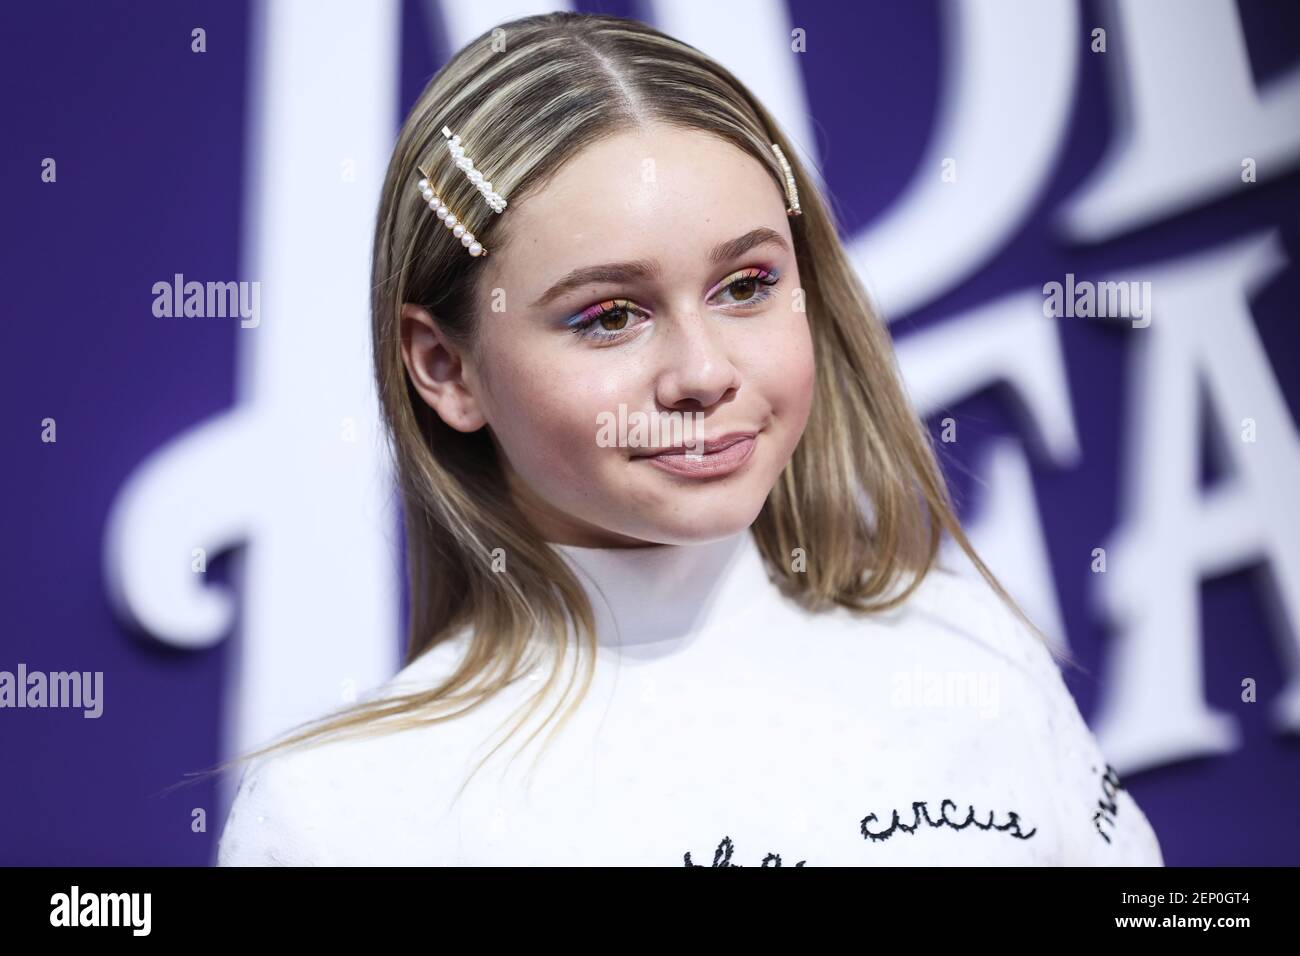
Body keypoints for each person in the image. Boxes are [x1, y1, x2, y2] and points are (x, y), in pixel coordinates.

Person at [215, 11, 1162, 866]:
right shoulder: (342, 817)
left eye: (746, 286)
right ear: (446, 369)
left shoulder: (964, 643)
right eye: (610, 315)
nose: (704, 372)